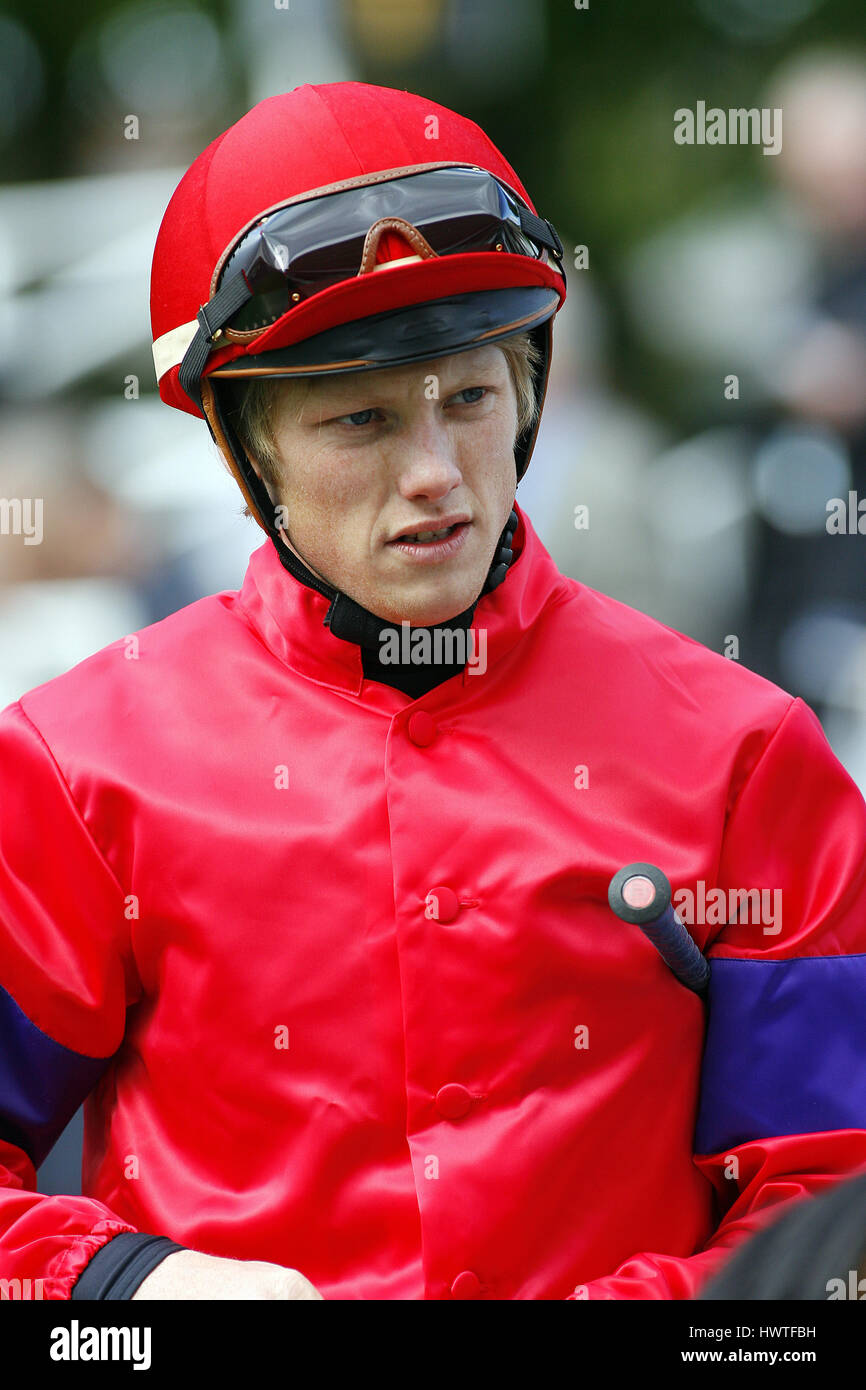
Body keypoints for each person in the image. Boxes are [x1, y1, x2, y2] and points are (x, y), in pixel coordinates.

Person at [1, 81, 865, 1303]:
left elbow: (832, 1203)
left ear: (525, 397)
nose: (432, 474)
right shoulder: (69, 764)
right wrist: (124, 1288)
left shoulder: (749, 753)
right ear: (243, 456)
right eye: (358, 419)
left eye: (466, 398)